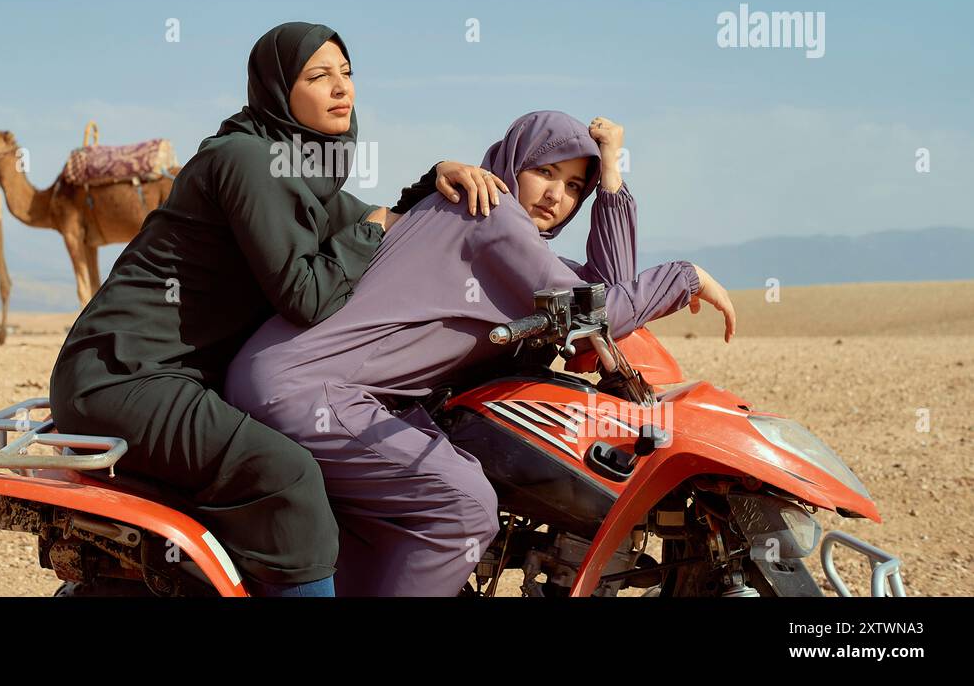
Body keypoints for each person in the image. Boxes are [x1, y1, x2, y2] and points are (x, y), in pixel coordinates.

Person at [48, 21, 503, 597]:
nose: (342, 89)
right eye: (318, 76)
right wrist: (373, 226)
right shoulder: (250, 162)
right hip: (126, 376)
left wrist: (433, 188)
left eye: (346, 73)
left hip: (176, 375)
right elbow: (307, 294)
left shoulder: (297, 172)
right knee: (286, 476)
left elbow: (374, 226)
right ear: (277, 88)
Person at [224, 110, 736, 596]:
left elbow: (603, 291)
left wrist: (612, 178)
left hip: (294, 382)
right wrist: (684, 277)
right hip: (305, 390)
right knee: (464, 506)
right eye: (545, 172)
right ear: (514, 162)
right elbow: (590, 313)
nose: (557, 195)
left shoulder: (499, 232)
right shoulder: (489, 215)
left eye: (575, 187)